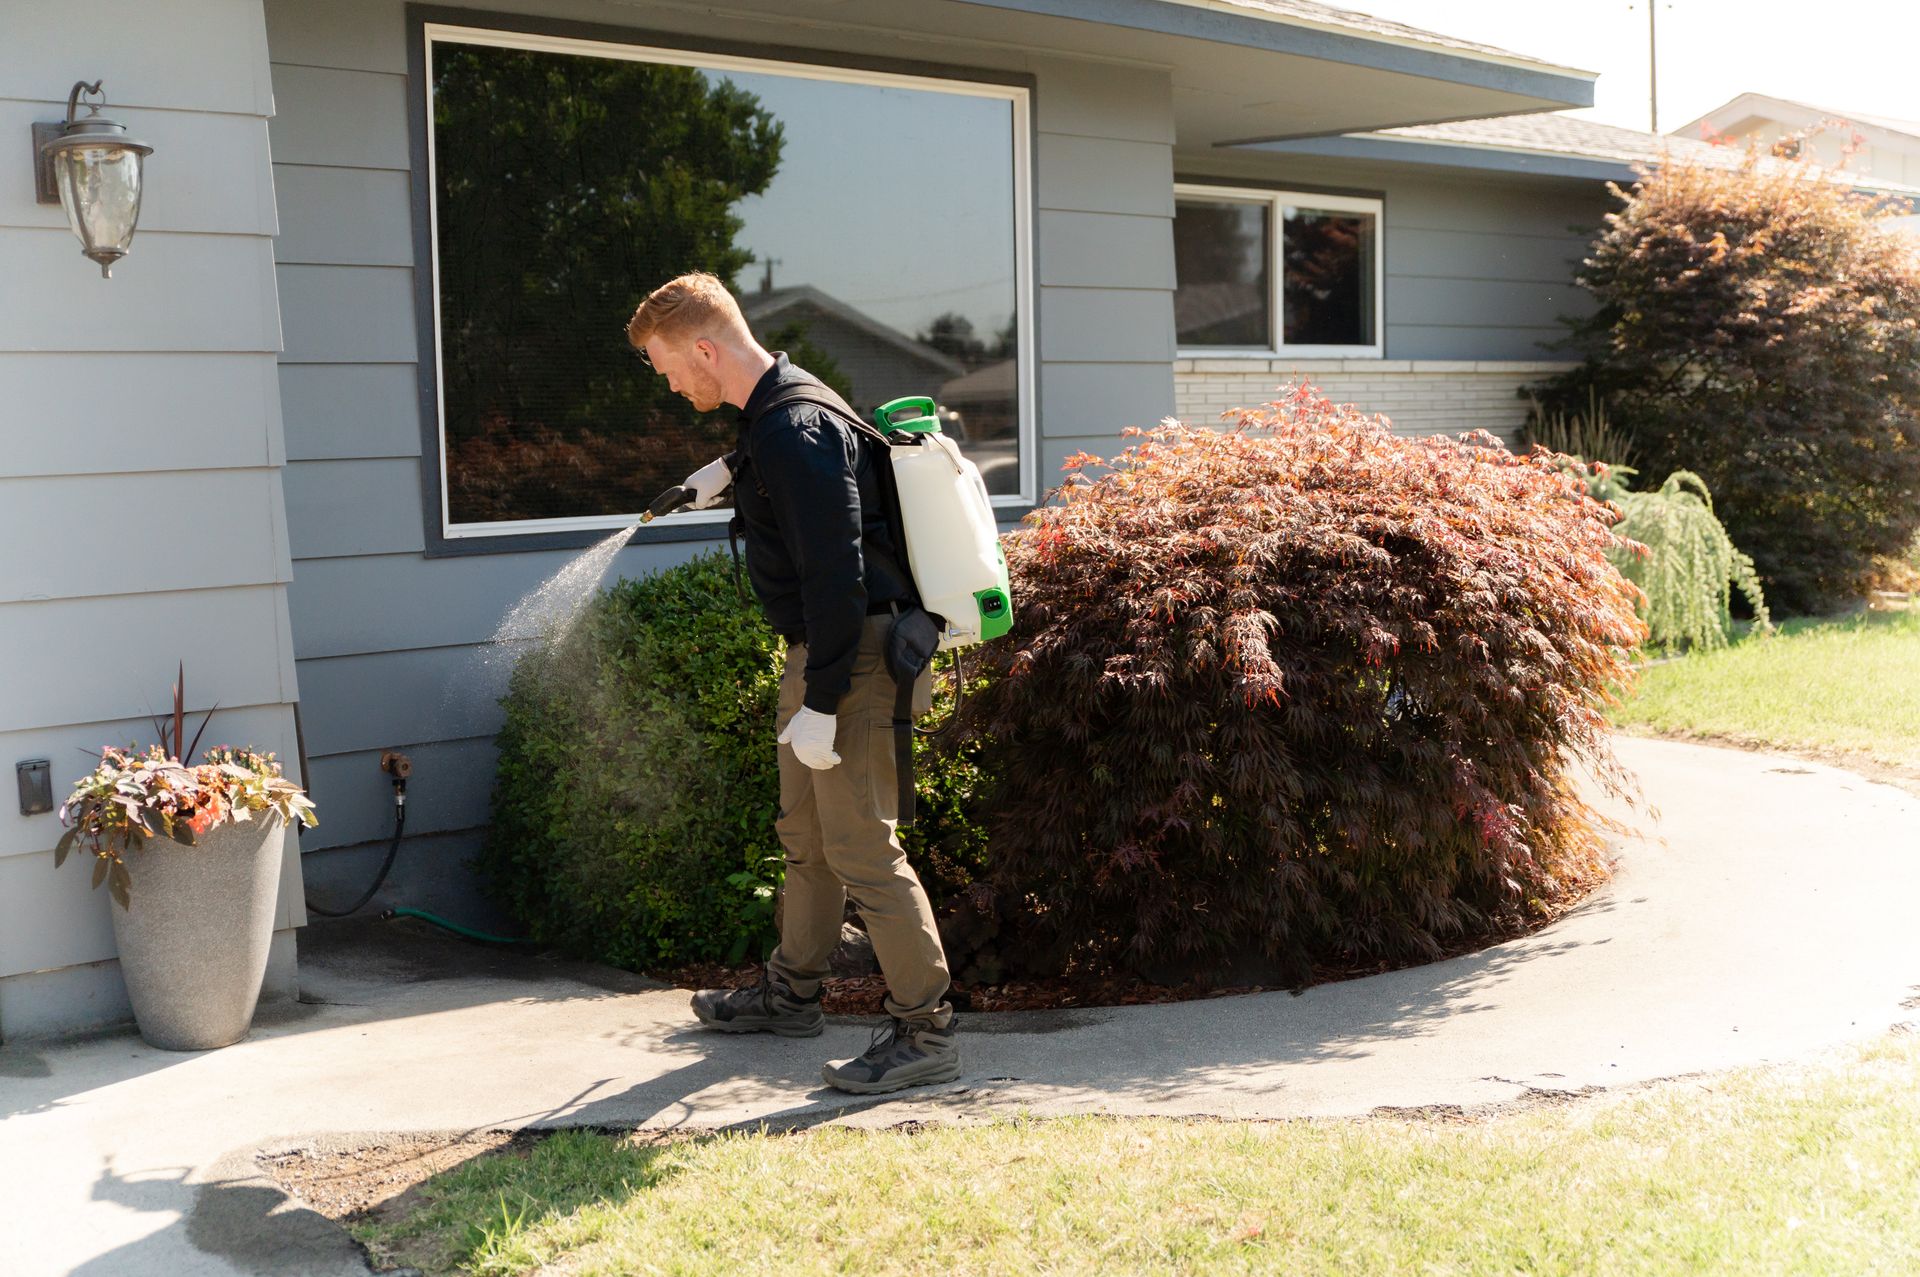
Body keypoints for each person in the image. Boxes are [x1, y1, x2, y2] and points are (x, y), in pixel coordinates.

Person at [626, 272, 959, 1095]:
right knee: (805, 832)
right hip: (829, 651)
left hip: (855, 652)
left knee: (860, 847)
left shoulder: (794, 427)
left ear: (706, 349)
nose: (669, 383)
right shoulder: (776, 414)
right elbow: (787, 468)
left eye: (668, 366)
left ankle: (927, 1031)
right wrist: (723, 473)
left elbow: (839, 579)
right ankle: (792, 992)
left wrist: (820, 700)